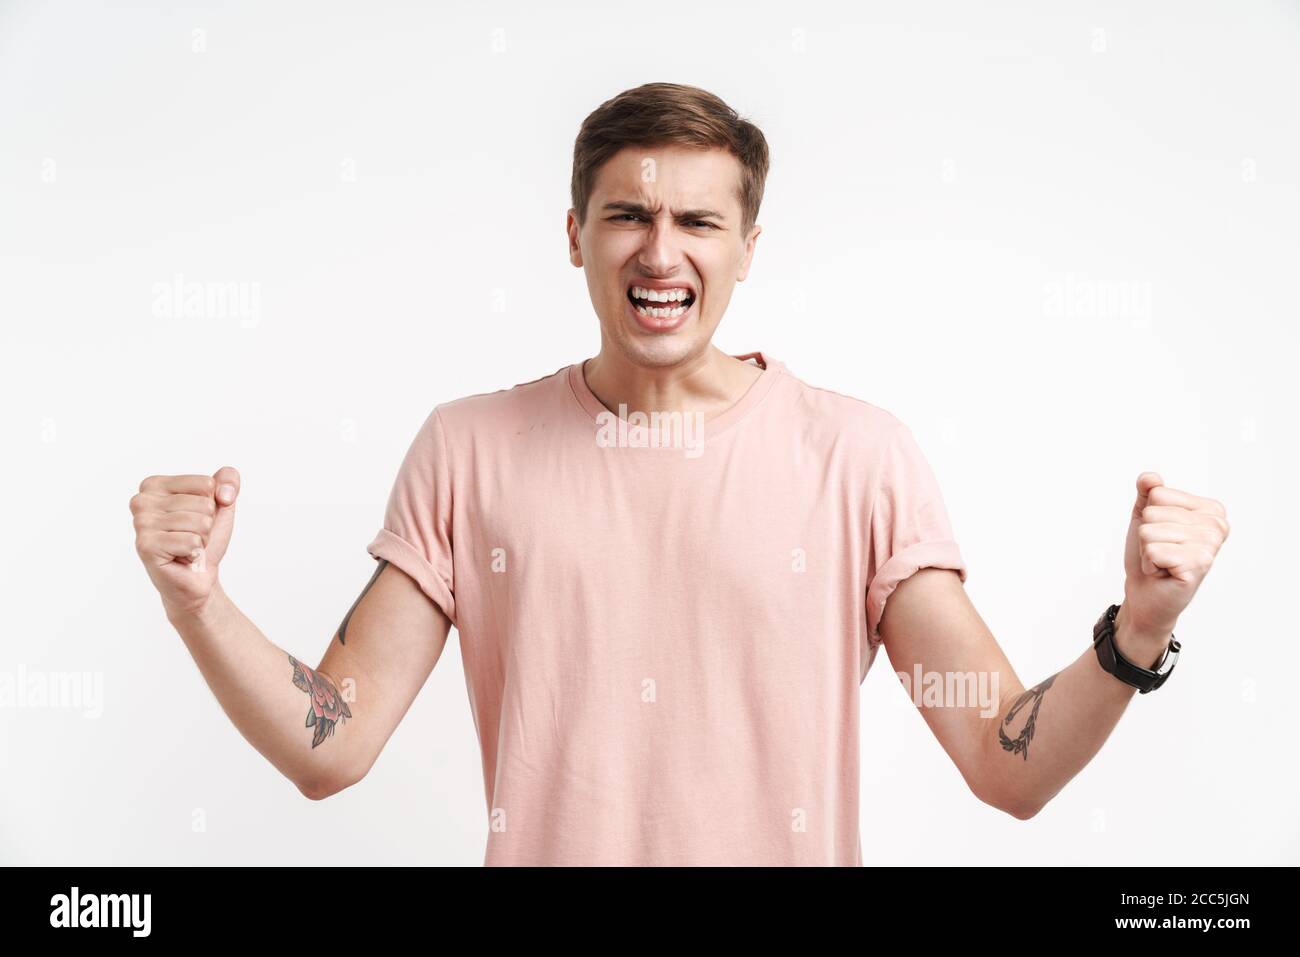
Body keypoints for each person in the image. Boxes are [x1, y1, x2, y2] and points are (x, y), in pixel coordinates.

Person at [130, 82, 1229, 866]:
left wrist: (1135, 633)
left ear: (748, 245)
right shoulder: (468, 451)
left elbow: (1006, 767)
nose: (662, 254)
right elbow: (334, 744)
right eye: (628, 216)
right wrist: (198, 603)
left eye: (699, 221)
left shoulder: (855, 457)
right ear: (575, 234)